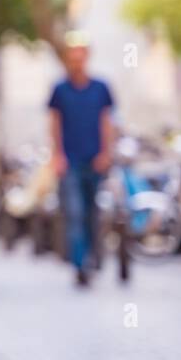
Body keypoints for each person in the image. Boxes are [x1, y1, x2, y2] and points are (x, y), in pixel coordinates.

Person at [48, 34, 115, 287]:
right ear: (68, 59)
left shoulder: (101, 88)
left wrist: (106, 153)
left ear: (86, 57)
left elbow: (106, 122)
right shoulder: (60, 89)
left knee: (92, 212)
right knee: (74, 212)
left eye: (80, 55)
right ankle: (80, 264)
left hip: (95, 158)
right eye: (72, 56)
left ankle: (92, 256)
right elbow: (54, 123)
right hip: (71, 161)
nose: (77, 61)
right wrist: (58, 155)